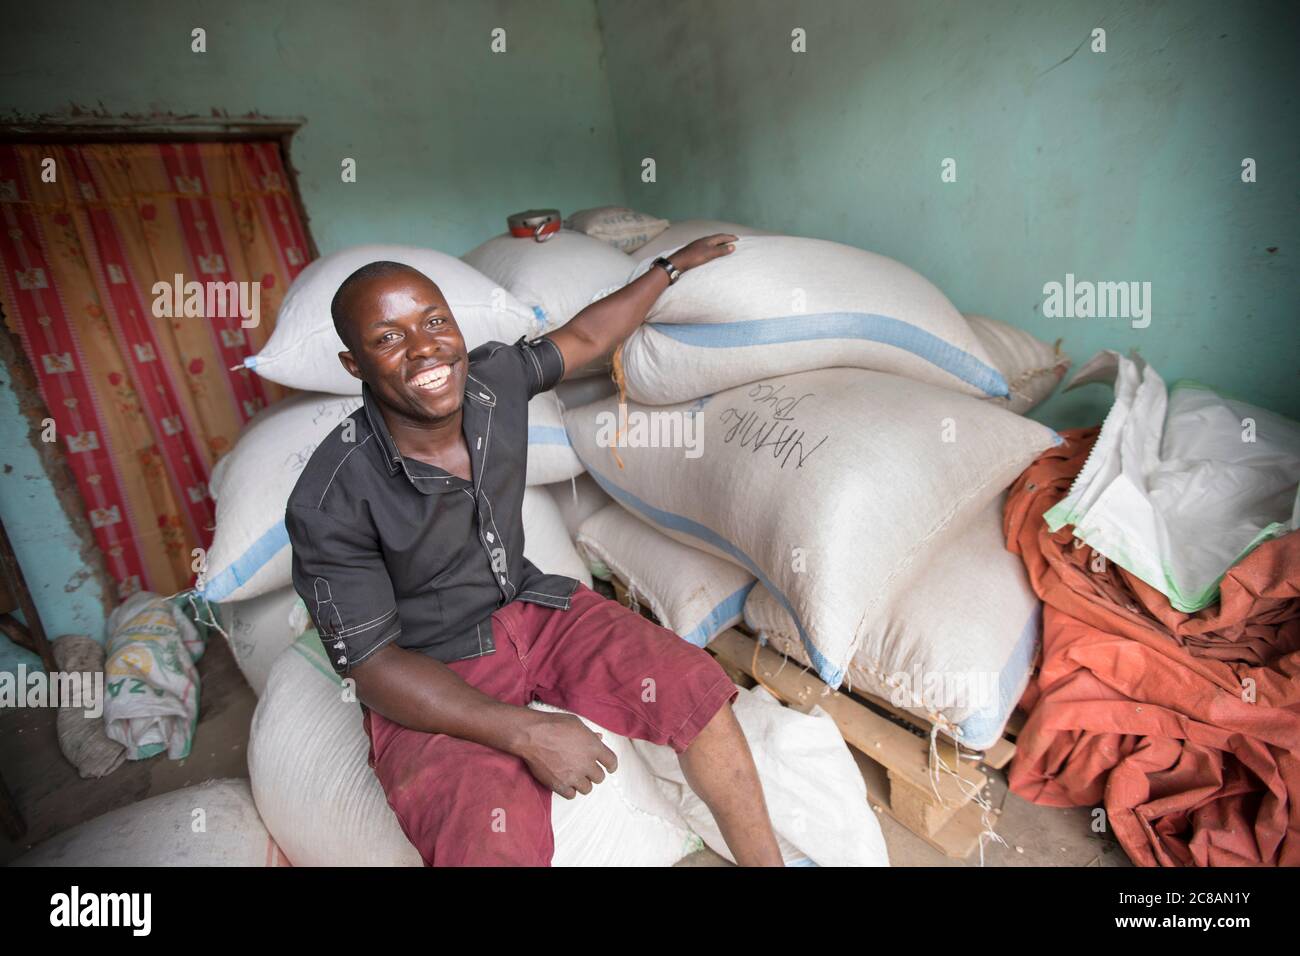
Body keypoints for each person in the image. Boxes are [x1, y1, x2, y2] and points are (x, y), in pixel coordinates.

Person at [284, 233, 784, 866]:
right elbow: (373, 667)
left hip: (535, 605)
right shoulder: (330, 497)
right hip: (432, 666)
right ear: (354, 365)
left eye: (434, 323)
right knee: (487, 841)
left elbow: (585, 338)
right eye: (388, 339)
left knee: (697, 692)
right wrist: (528, 730)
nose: (423, 349)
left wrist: (668, 269)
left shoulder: (491, 382)